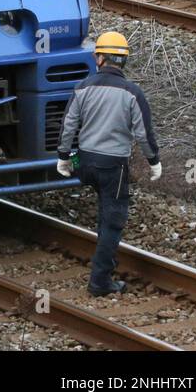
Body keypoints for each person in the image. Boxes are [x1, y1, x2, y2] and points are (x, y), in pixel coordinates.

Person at [56, 31, 161, 296]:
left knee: (105, 210)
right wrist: (154, 161)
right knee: (113, 220)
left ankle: (107, 260)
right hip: (113, 166)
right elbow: (143, 133)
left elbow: (69, 124)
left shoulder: (82, 87)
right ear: (123, 61)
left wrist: (63, 156)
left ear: (100, 58)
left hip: (85, 163)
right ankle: (100, 281)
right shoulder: (132, 92)